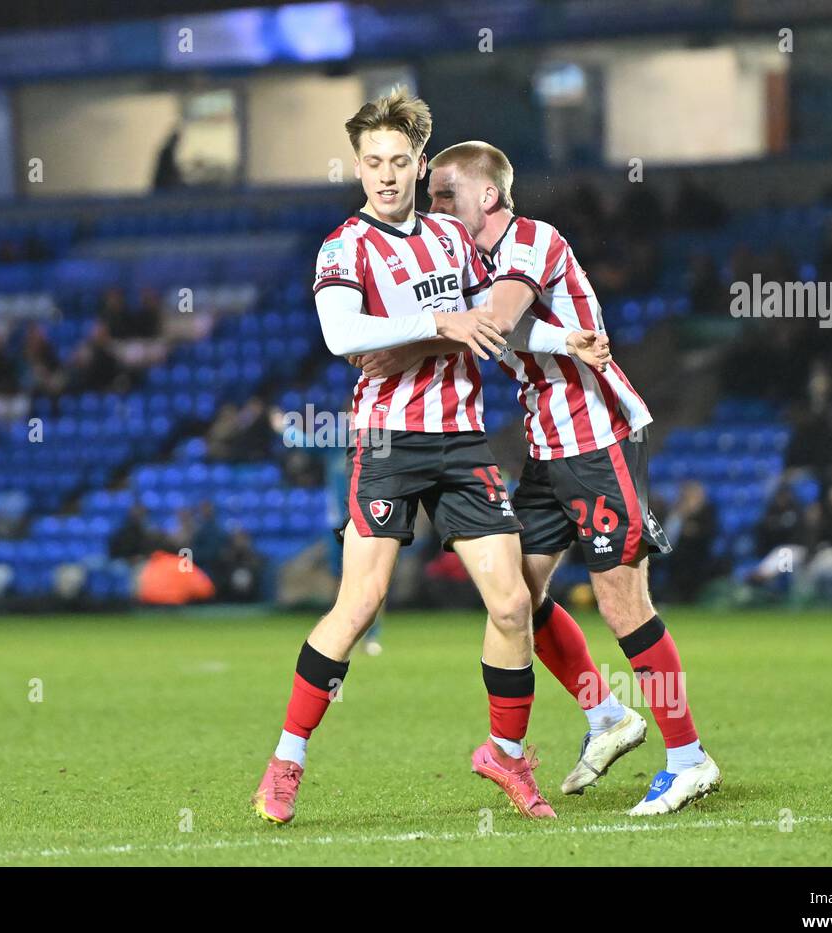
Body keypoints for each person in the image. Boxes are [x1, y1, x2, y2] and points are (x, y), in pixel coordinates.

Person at [355, 140, 720, 816]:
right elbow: (470, 318)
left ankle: (688, 757)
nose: (431, 206)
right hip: (546, 446)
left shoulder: (532, 242)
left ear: (486, 196)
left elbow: (491, 324)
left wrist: (400, 347)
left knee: (622, 605)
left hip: (596, 436)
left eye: (443, 194)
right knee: (516, 597)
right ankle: (607, 716)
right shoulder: (474, 262)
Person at [251, 88, 556, 826]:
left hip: (460, 440)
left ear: (421, 166)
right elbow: (342, 337)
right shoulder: (343, 247)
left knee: (515, 602)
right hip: (386, 442)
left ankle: (505, 755)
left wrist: (561, 340)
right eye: (372, 162)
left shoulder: (452, 240)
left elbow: (489, 325)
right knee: (358, 605)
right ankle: (286, 760)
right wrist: (438, 323)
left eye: (398, 161)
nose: (385, 174)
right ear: (358, 168)